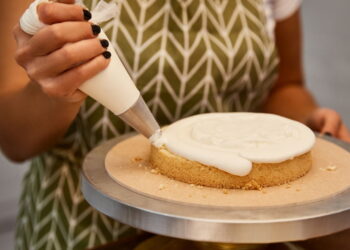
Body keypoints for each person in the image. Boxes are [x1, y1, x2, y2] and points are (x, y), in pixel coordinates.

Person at [1, 0, 350, 249]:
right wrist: (57, 91)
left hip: (243, 226)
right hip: (86, 224)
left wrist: (301, 125)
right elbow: (14, 139)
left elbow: (285, 85)